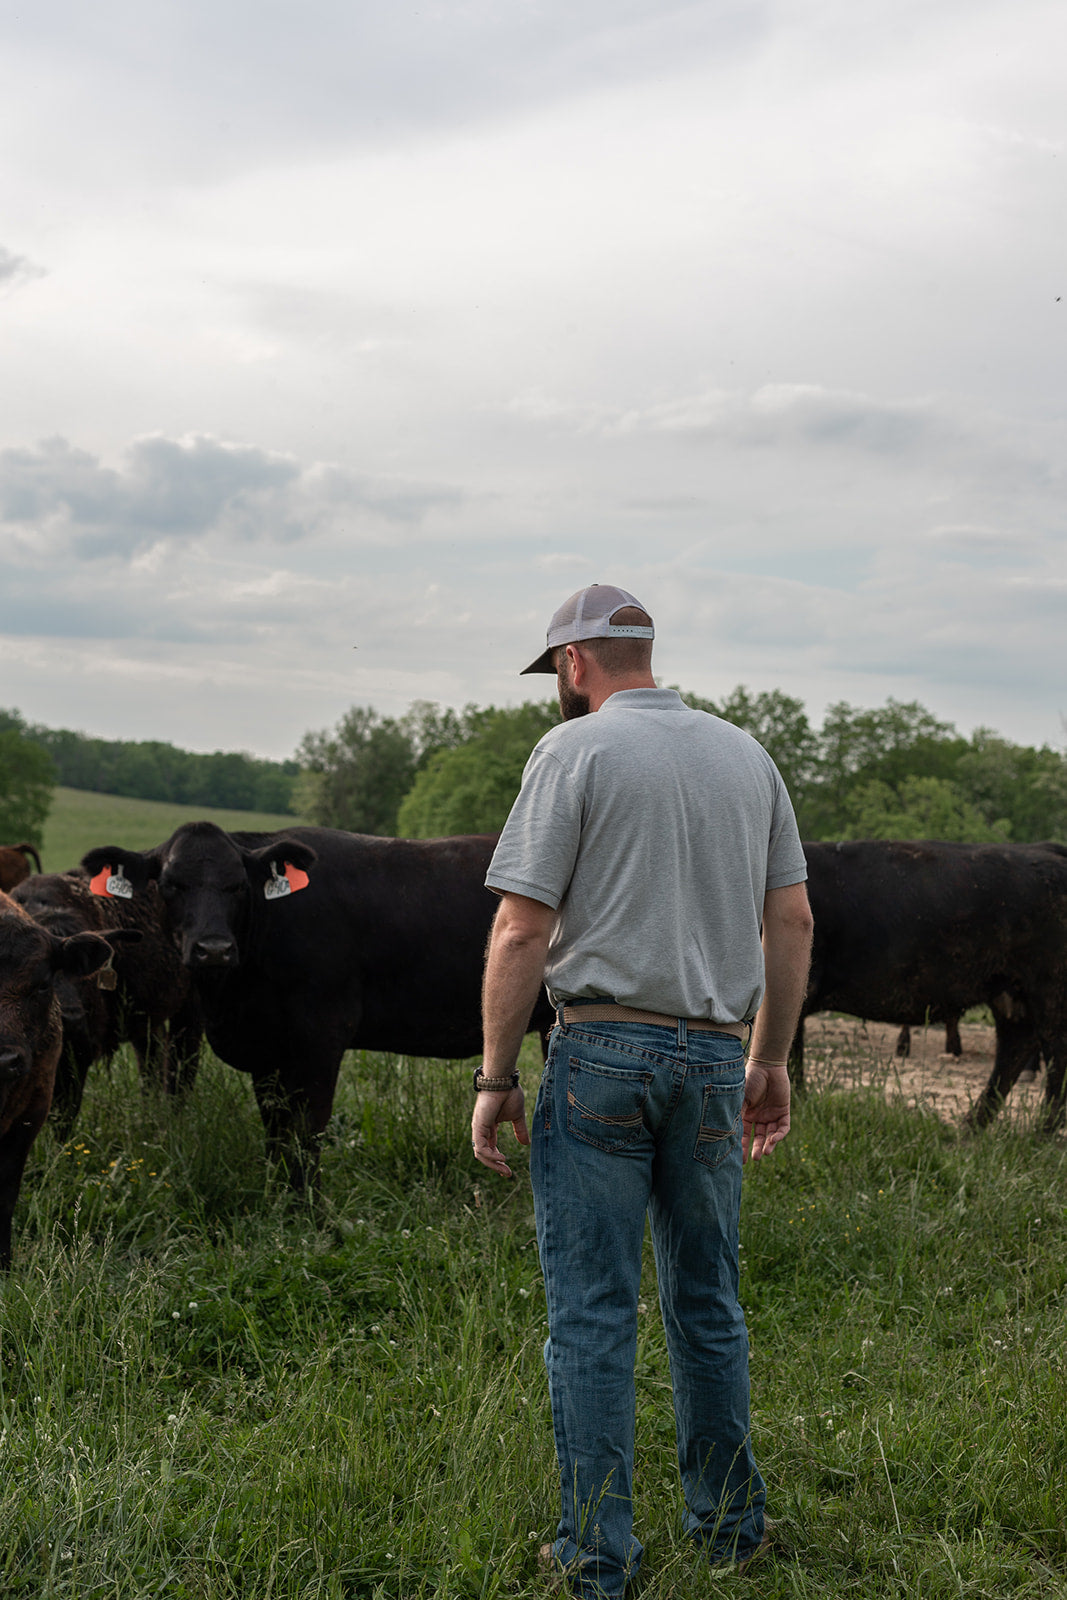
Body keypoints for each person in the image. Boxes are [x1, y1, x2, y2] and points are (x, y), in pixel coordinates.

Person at [471, 583, 813, 1597]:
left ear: (572, 666)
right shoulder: (745, 756)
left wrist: (495, 1074)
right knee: (705, 1302)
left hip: (601, 1056)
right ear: (644, 653)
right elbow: (789, 922)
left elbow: (521, 928)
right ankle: (729, 1531)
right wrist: (769, 1057)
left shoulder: (571, 753)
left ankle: (596, 1555)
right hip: (713, 1058)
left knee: (590, 1311)